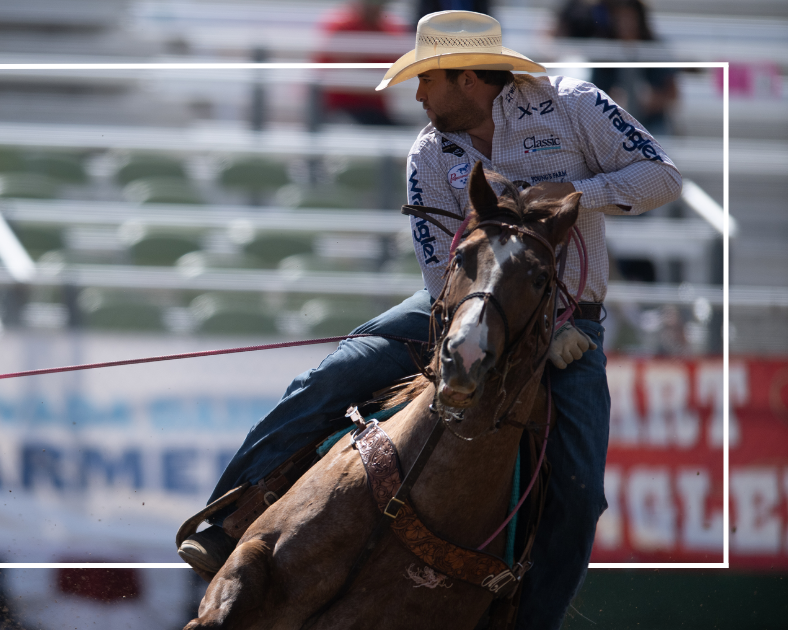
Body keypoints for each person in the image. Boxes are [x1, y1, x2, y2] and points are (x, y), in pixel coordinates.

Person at [178, 10, 681, 630]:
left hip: (572, 318)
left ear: (467, 78)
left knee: (579, 495)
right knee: (336, 373)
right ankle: (229, 517)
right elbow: (437, 272)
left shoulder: (572, 103)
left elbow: (662, 178)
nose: (416, 94)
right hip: (455, 306)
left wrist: (573, 195)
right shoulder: (428, 151)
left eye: (426, 80)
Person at [556, 0, 677, 134]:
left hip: (652, 122)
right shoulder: (602, 49)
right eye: (620, 18)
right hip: (612, 123)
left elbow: (673, 94)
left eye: (629, 18)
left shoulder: (655, 48)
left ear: (639, 18)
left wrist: (653, 99)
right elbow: (593, 96)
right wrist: (611, 102)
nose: (625, 24)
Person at [312, 0, 408, 125]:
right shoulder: (341, 25)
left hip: (376, 110)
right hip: (340, 109)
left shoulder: (391, 29)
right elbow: (349, 78)